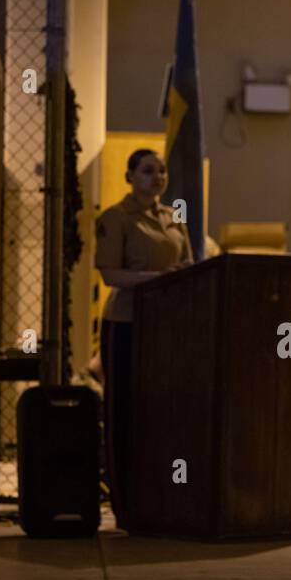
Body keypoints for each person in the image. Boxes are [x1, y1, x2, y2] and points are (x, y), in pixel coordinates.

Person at [94, 149, 193, 522]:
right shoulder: (117, 218)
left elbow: (186, 263)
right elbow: (111, 275)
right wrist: (158, 281)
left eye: (163, 171)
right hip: (127, 324)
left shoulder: (173, 218)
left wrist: (184, 273)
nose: (158, 177)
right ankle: (125, 503)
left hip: (167, 326)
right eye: (148, 171)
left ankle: (161, 497)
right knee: (124, 410)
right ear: (130, 176)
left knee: (162, 410)